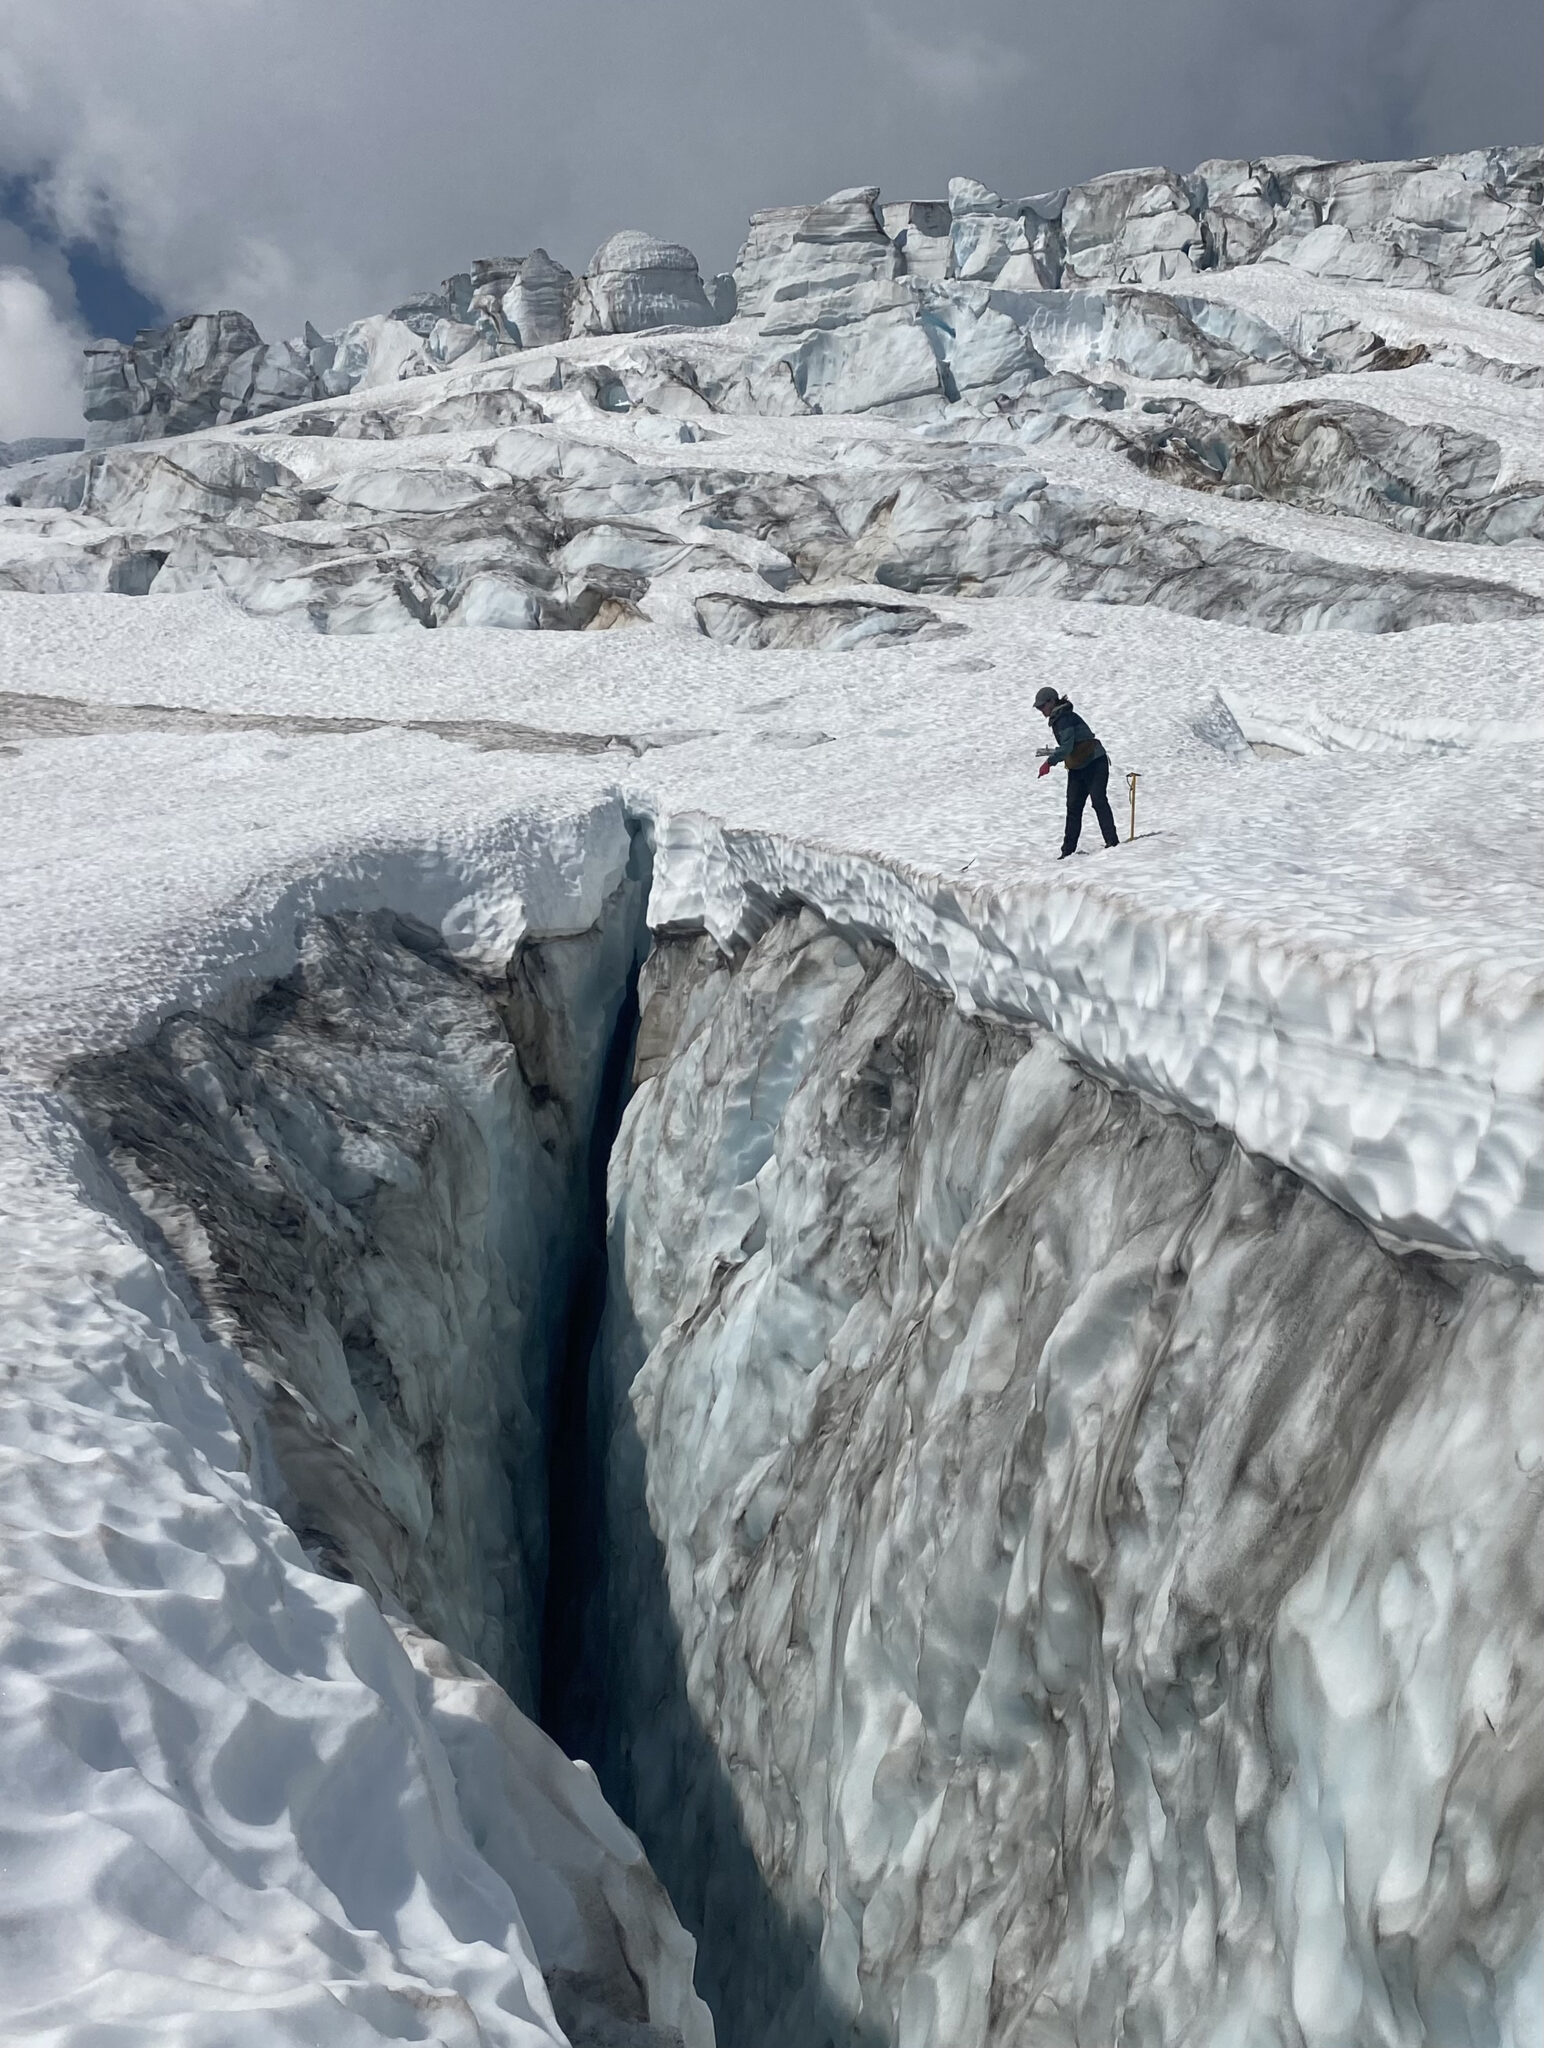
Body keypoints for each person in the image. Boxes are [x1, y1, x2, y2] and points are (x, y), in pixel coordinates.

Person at [1034, 686, 1120, 858]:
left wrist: (1049, 762)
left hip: (1095, 762)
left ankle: (1112, 843)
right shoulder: (1059, 718)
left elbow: (1067, 747)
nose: (1041, 710)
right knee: (1074, 807)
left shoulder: (1064, 718)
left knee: (1098, 801)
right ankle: (1067, 852)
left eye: (1042, 706)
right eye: (1039, 708)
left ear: (1052, 701)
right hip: (1078, 767)